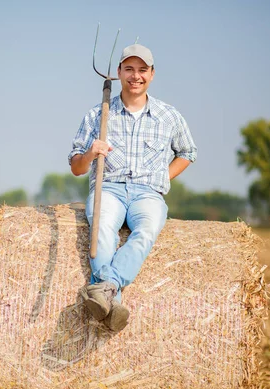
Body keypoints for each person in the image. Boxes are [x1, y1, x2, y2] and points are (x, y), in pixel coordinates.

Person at [68, 44, 197, 333]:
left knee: (147, 231)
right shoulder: (98, 114)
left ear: (152, 74)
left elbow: (188, 152)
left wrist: (163, 177)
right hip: (109, 189)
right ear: (118, 73)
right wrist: (91, 153)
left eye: (142, 70)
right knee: (102, 230)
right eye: (129, 69)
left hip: (148, 193)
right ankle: (112, 300)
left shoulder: (169, 116)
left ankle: (105, 288)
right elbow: (76, 167)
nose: (135, 76)